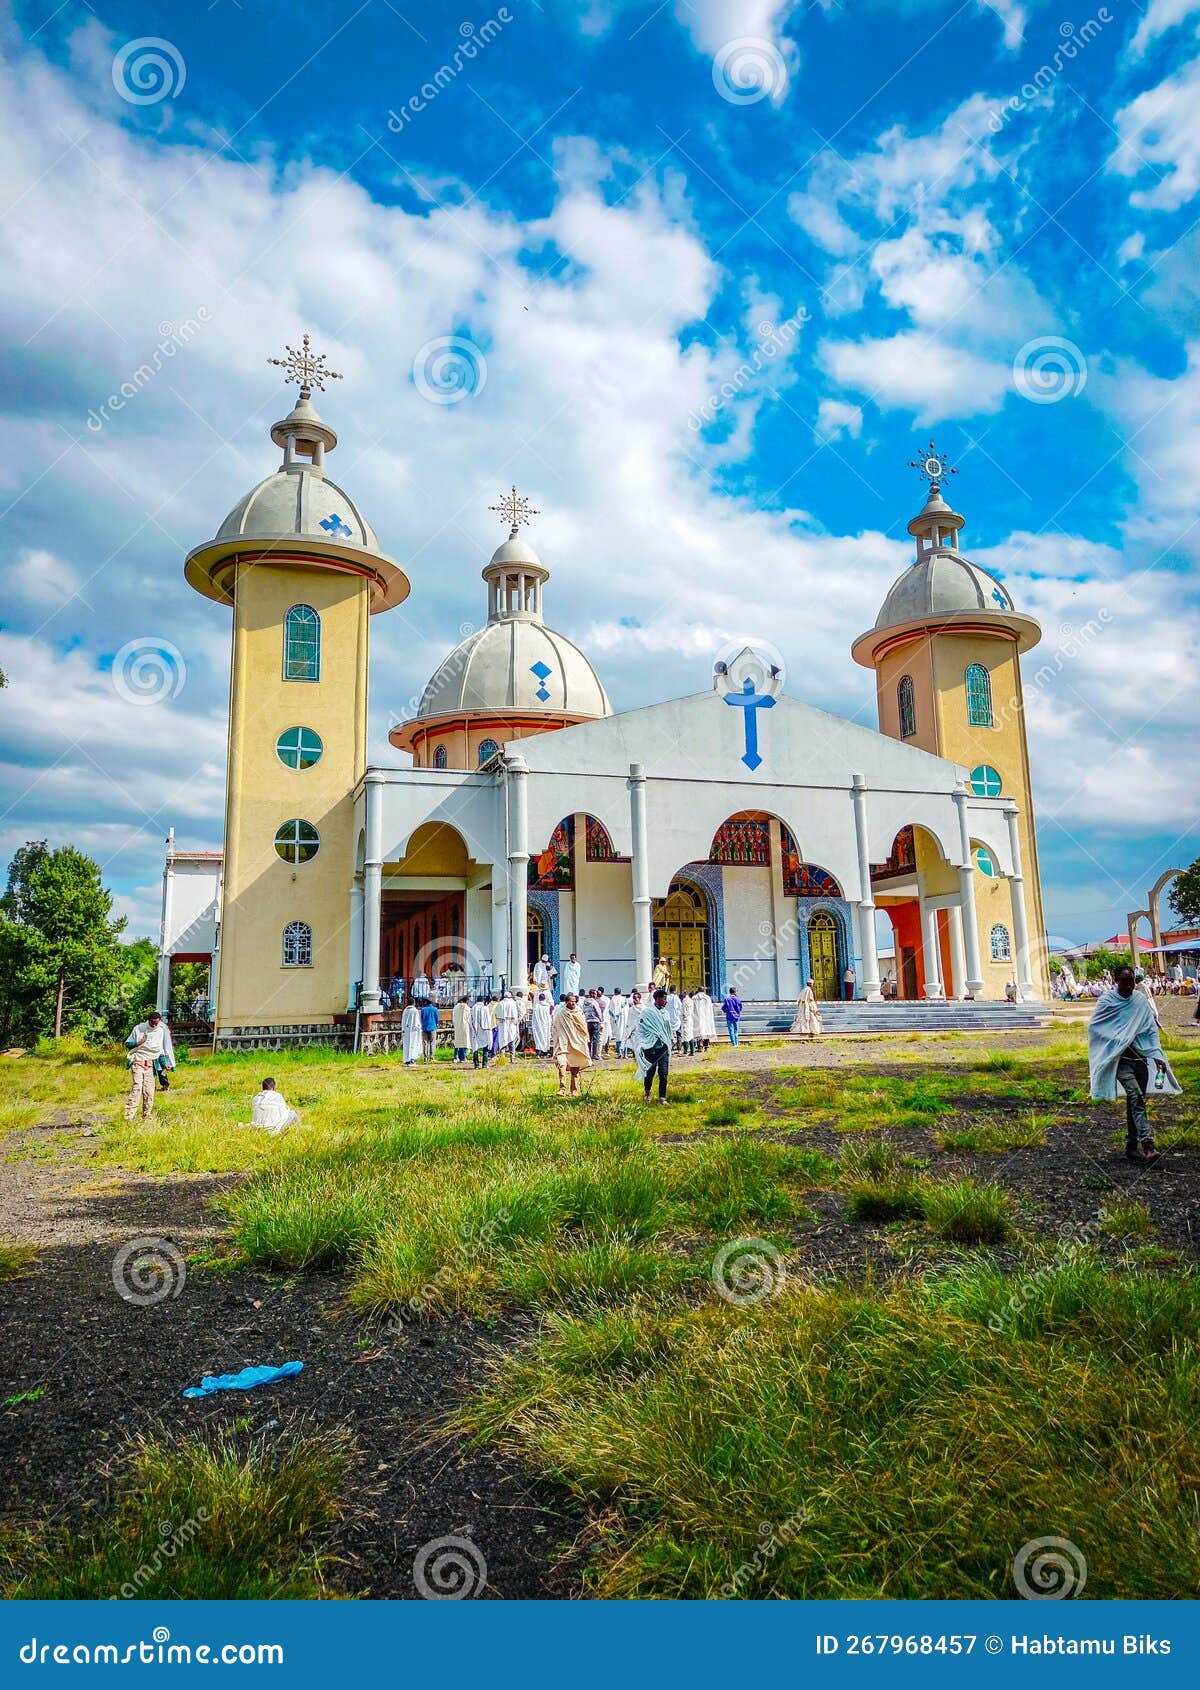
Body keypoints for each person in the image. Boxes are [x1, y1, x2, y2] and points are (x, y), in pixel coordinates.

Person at [1089, 964, 1181, 1164]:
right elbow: (1095, 1028)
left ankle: (1131, 1146)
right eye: (1124, 981)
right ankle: (1148, 1145)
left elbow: (1149, 1029)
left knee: (1136, 1102)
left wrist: (1156, 1054)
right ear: (1116, 981)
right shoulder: (1107, 1002)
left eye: (1131, 981)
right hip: (1121, 1060)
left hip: (1141, 1059)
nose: (1129, 986)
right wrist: (1120, 1039)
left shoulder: (1139, 1001)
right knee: (1136, 1096)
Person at [123, 1012, 174, 1120]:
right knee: (137, 1088)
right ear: (149, 1020)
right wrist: (138, 1043)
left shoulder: (160, 1031)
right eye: (153, 1023)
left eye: (157, 1023)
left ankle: (146, 1116)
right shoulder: (139, 1029)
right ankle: (128, 1117)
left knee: (149, 1091)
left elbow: (159, 1051)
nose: (155, 1025)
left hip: (150, 1066)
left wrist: (164, 1065)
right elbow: (127, 1044)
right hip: (138, 1063)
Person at [550, 992, 592, 1097]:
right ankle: (562, 1087)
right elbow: (556, 1027)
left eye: (574, 1001)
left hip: (577, 1042)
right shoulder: (561, 1013)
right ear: (566, 1002)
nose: (573, 1003)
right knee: (562, 1063)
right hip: (564, 1042)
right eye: (571, 1001)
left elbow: (583, 1028)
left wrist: (585, 1039)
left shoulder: (579, 1012)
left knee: (575, 1065)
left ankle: (574, 1089)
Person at [636, 988, 673, 1104]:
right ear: (657, 999)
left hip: (663, 1048)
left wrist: (669, 1039)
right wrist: (648, 1039)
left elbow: (668, 1029)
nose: (666, 1001)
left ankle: (662, 1097)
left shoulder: (665, 1013)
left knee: (663, 1073)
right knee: (650, 1073)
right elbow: (642, 1028)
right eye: (664, 999)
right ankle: (647, 1093)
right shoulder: (648, 1012)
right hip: (651, 1048)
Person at [495, 989, 520, 1059]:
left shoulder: (500, 1003)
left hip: (503, 1024)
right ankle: (512, 1057)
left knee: (503, 1040)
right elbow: (515, 1015)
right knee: (511, 1040)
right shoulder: (512, 1003)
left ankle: (502, 1057)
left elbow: (496, 1014)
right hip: (511, 1023)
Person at [470, 996, 494, 1069]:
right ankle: (485, 1064)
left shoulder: (473, 1008)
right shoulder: (485, 1008)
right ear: (483, 1001)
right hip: (484, 1030)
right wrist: (489, 1029)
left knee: (475, 1047)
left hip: (475, 1030)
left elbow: (470, 1019)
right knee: (486, 1046)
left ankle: (476, 1065)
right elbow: (488, 1020)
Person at [529, 987, 553, 1055]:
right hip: (545, 1025)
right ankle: (545, 1052)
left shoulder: (536, 1006)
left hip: (538, 1025)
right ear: (545, 998)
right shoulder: (548, 1007)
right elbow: (551, 1013)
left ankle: (538, 1053)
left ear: (539, 998)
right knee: (545, 1038)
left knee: (538, 1038)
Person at [581, 989, 603, 1061]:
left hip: (587, 1021)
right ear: (593, 994)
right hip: (595, 1021)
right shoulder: (594, 1002)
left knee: (589, 1039)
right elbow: (598, 1011)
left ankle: (588, 1054)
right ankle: (594, 1055)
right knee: (595, 1039)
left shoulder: (585, 1002)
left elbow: (583, 1011)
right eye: (595, 994)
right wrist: (601, 1019)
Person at [621, 988, 643, 1058]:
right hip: (634, 1033)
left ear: (639, 999)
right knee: (635, 1052)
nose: (634, 1000)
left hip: (642, 1032)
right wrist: (628, 1033)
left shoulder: (644, 1009)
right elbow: (629, 1023)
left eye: (636, 998)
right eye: (633, 998)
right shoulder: (631, 1010)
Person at [400, 997, 422, 1067]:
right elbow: (417, 1021)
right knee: (413, 1045)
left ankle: (406, 1060)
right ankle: (411, 1060)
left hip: (406, 1031)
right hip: (413, 1031)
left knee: (407, 1046)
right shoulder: (414, 1011)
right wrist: (419, 1028)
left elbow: (403, 1021)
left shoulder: (405, 1010)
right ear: (414, 1003)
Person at [452, 997, 471, 1063]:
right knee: (464, 1042)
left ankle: (456, 1057)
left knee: (457, 1042)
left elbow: (453, 1018)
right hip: (465, 1027)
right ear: (467, 1001)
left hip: (457, 1027)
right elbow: (469, 1019)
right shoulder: (468, 1009)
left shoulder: (455, 1008)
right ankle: (463, 1057)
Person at [679, 991, 695, 1055]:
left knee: (685, 1036)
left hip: (685, 1020)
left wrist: (682, 1016)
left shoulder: (684, 1002)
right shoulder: (691, 1000)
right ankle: (692, 1051)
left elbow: (684, 1012)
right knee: (690, 1035)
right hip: (690, 1019)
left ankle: (685, 1052)